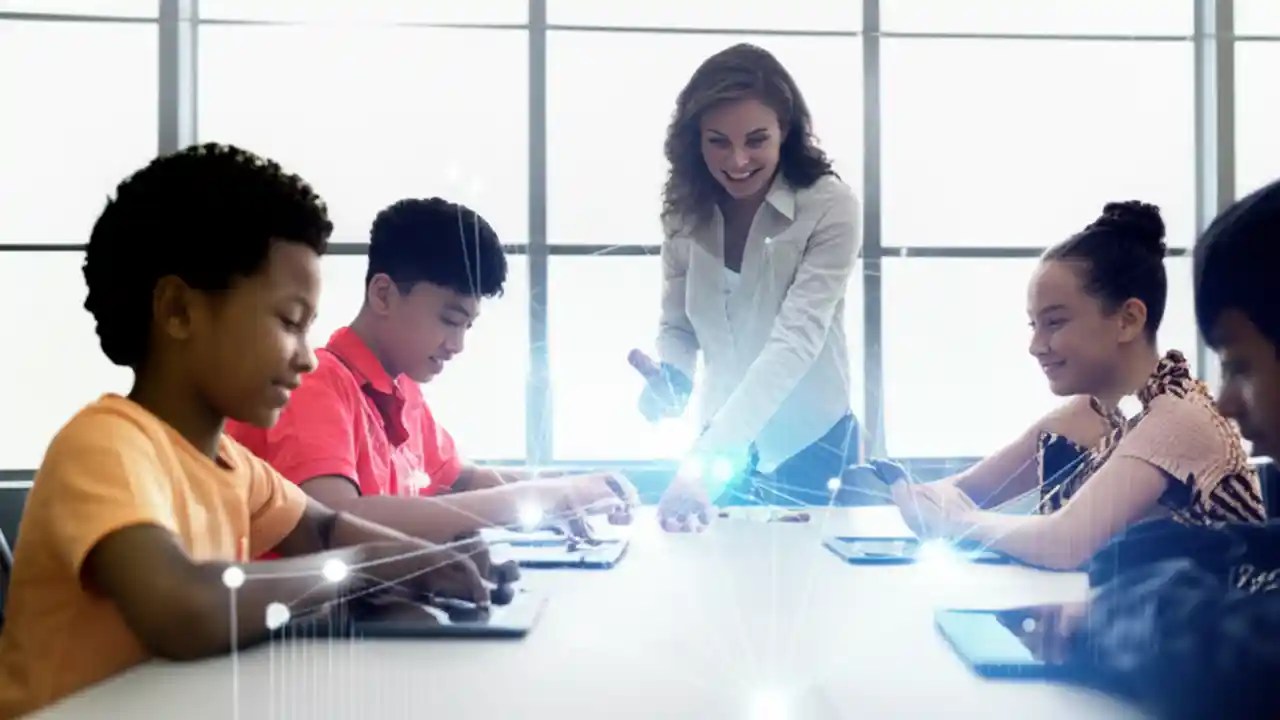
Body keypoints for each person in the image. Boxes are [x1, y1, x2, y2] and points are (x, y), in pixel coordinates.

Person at [0, 145, 502, 718]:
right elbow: (182, 606)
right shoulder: (105, 445)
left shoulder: (235, 469)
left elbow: (326, 528)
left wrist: (427, 559)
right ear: (178, 312)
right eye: (289, 322)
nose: (308, 359)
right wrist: (366, 570)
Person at [1000, 178, 1280, 720]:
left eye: (1240, 366)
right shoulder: (1107, 413)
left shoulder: (1179, 413)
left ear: (1129, 319)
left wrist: (1121, 615)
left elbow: (1254, 656)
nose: (1226, 402)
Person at [226, 197, 638, 546]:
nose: (457, 345)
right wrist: (542, 496)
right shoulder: (315, 383)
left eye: (467, 326)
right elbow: (334, 521)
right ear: (383, 294)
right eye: (449, 319)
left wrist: (573, 486)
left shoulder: (401, 388)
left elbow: (463, 480)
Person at [883, 201, 1264, 570]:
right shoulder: (1097, 411)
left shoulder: (1179, 418)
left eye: (1055, 323)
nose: (1036, 347)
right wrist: (915, 496)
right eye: (1034, 325)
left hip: (1226, 630)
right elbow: (964, 491)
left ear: (1128, 319)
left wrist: (956, 522)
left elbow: (1065, 544)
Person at [633, 42, 863, 531]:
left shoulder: (830, 205)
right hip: (721, 455)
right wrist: (671, 380)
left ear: (786, 131)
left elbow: (796, 339)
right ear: (695, 140)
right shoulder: (683, 212)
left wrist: (711, 451)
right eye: (718, 141)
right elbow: (677, 324)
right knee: (718, 593)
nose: (737, 160)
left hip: (812, 445)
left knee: (823, 599)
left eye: (756, 140)